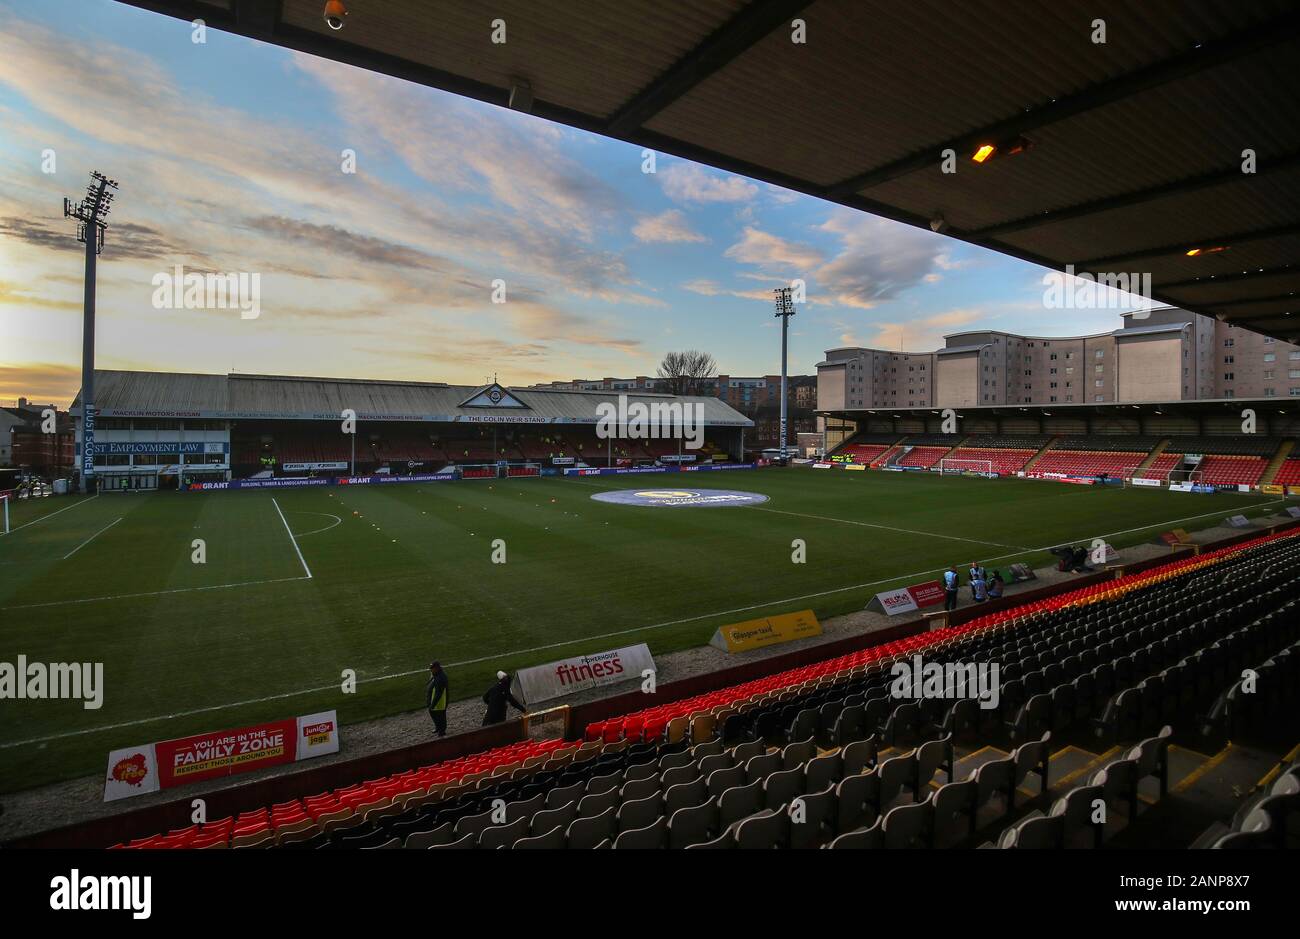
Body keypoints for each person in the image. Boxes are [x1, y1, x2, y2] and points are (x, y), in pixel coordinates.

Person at [425, 661, 449, 737]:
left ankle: (442, 731)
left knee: (441, 716)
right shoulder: (435, 674)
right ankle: (438, 727)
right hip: (433, 700)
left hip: (439, 702)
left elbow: (438, 694)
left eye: (432, 668)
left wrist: (433, 704)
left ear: (437, 668)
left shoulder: (441, 678)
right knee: (433, 713)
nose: (431, 669)